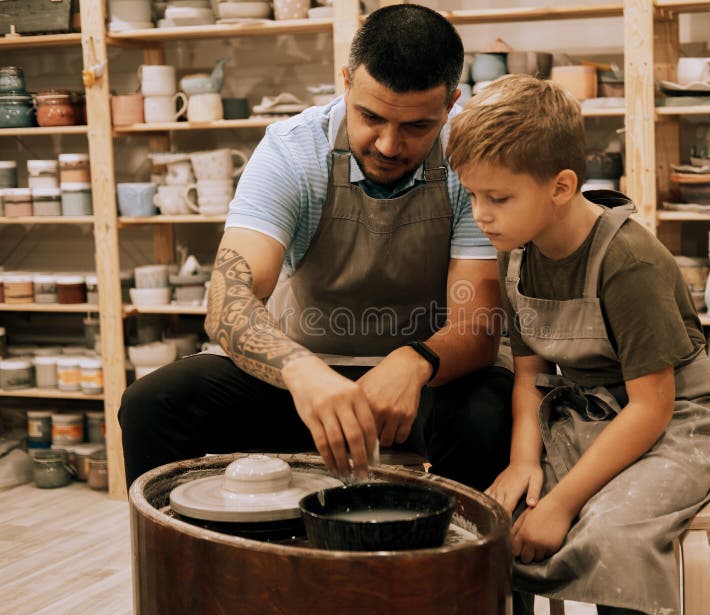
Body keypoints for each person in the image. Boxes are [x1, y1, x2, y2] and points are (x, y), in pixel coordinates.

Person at [118, 4, 513, 492]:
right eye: (371, 117)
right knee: (152, 403)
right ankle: (191, 564)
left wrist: (414, 361)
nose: (389, 145)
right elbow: (227, 303)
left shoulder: (468, 156)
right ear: (346, 82)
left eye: (416, 127)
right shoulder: (291, 151)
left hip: (424, 377)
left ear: (451, 103)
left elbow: (476, 325)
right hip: (305, 370)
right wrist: (301, 371)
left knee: (486, 413)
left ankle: (446, 563)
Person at [446, 75, 710, 615]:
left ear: (560, 186)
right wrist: (522, 461)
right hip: (586, 413)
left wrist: (561, 502)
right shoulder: (515, 252)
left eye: (498, 197)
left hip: (672, 421)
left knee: (612, 536)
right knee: (493, 523)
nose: (480, 214)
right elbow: (530, 377)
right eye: (473, 195)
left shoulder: (628, 261)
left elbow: (653, 407)